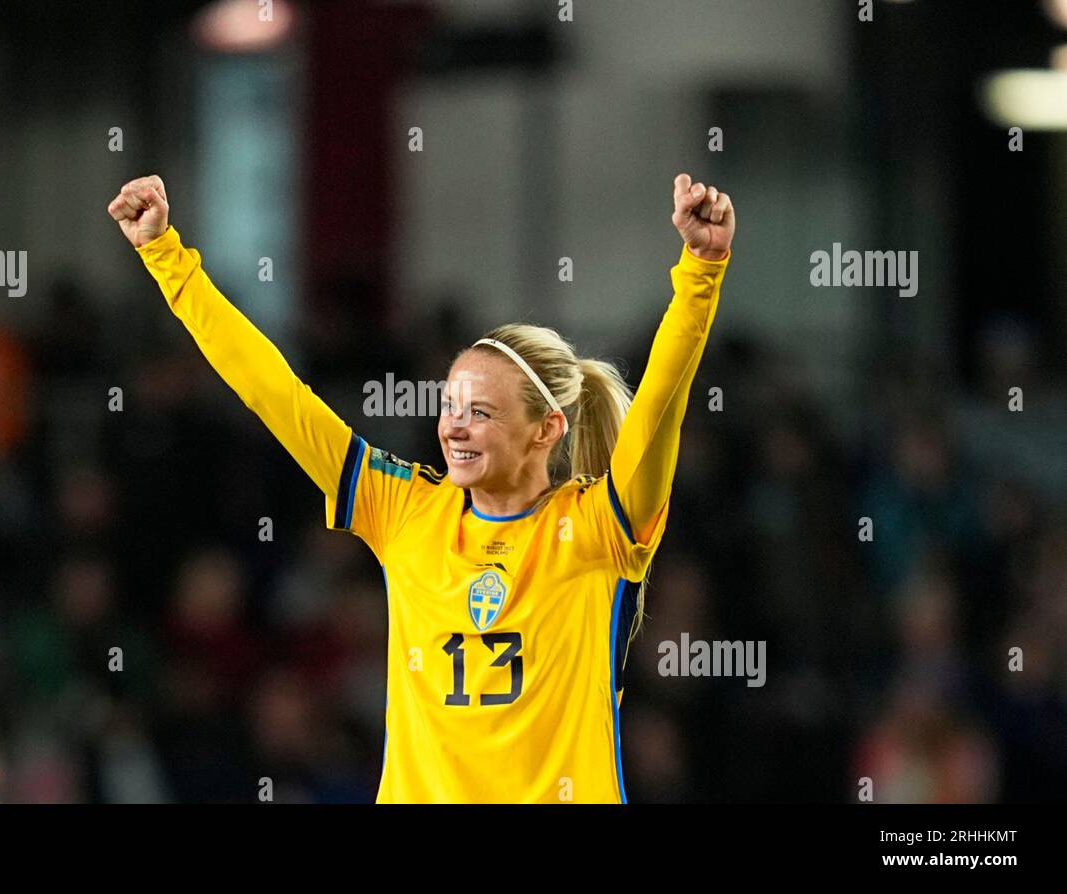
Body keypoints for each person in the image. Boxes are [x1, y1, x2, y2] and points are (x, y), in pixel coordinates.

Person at [109, 171, 734, 803]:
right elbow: (274, 393)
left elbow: (662, 401)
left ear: (546, 428)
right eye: (449, 406)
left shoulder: (600, 527)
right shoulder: (404, 509)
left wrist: (700, 272)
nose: (454, 427)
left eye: (480, 412)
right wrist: (167, 257)